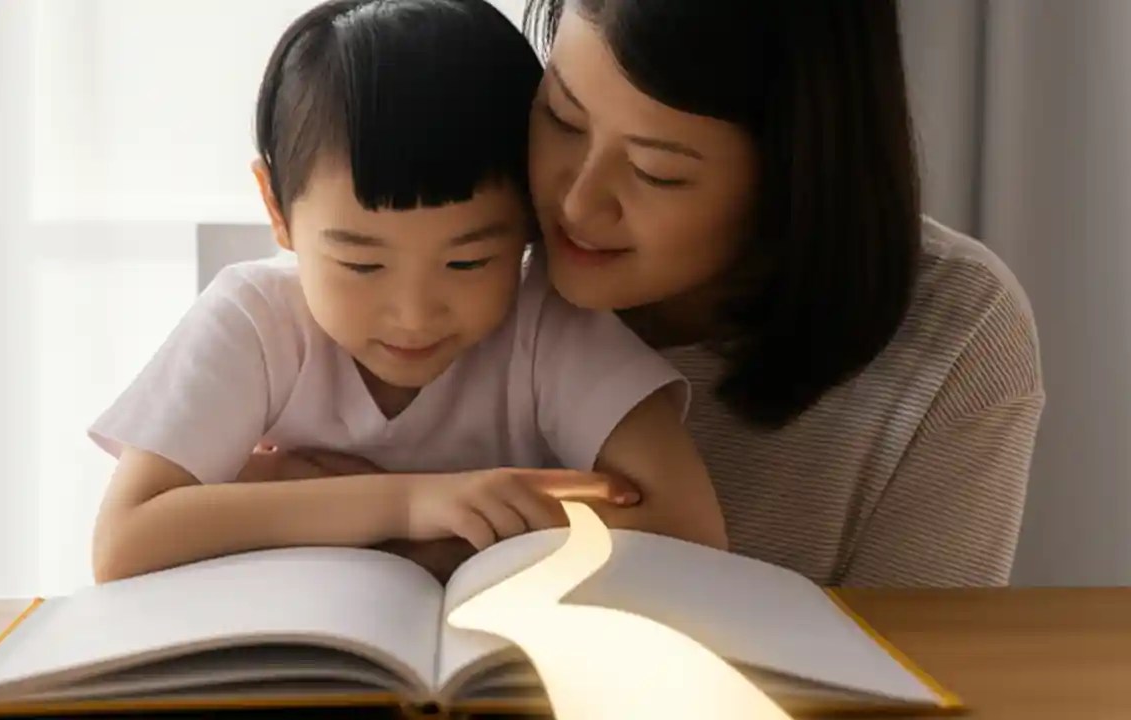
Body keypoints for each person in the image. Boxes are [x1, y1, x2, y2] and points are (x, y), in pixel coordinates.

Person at [257, 0, 1046, 588]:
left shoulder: (953, 333)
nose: (575, 203)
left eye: (656, 171)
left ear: (797, 174)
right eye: (563, 118)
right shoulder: (453, 256)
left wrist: (408, 533)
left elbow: (921, 668)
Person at [86, 0, 728, 584]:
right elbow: (124, 542)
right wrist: (408, 502)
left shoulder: (547, 323)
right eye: (362, 264)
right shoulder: (253, 321)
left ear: (530, 220)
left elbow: (689, 526)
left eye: (468, 261)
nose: (414, 315)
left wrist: (417, 538)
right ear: (276, 209)